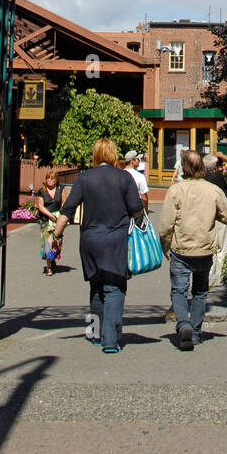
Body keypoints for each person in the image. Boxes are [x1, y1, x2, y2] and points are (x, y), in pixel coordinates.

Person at [53, 139, 145, 353]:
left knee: (96, 287)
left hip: (90, 240)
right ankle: (110, 340)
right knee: (114, 287)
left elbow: (67, 210)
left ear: (95, 155)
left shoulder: (84, 178)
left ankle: (96, 334)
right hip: (116, 240)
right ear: (114, 155)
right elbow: (136, 209)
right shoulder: (124, 178)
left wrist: (56, 236)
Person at [158, 149, 227, 349]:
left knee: (179, 290)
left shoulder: (176, 190)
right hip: (204, 248)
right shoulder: (213, 190)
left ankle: (183, 323)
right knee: (200, 292)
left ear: (184, 168)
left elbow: (166, 225)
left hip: (181, 248)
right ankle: (195, 332)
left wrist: (165, 247)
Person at [204, 153, 227, 287]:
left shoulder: (201, 178)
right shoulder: (220, 176)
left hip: (206, 216)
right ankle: (219, 277)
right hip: (222, 215)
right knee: (222, 248)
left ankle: (209, 276)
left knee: (210, 247)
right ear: (215, 166)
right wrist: (223, 156)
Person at [36, 171, 64, 277]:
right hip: (46, 220)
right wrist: (50, 215)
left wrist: (61, 215)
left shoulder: (60, 189)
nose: (49, 180)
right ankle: (49, 267)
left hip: (58, 220)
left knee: (57, 243)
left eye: (52, 178)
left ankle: (52, 259)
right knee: (48, 243)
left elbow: (64, 203)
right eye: (48, 178)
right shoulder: (42, 191)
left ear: (56, 180)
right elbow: (40, 206)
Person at [124, 150, 150, 215]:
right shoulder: (140, 176)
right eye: (138, 159)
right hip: (136, 211)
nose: (139, 160)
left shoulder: (119, 174)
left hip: (122, 211)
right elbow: (144, 198)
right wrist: (145, 211)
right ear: (132, 161)